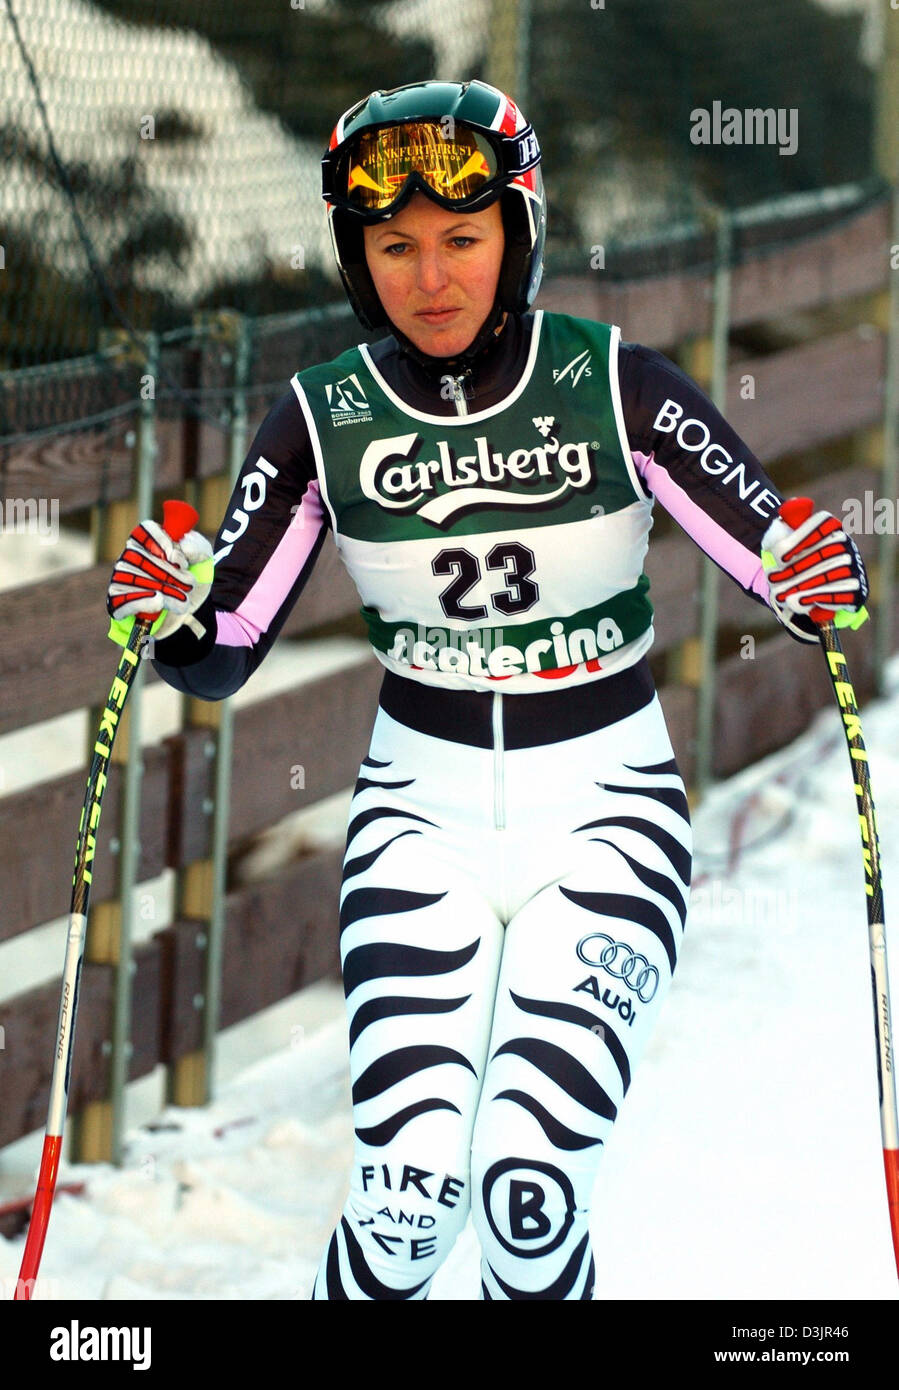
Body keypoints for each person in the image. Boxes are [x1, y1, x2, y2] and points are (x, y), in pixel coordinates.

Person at [106, 78, 869, 1300]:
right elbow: (221, 646)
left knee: (526, 1191)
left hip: (606, 809)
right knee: (405, 1203)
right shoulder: (322, 417)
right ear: (358, 260)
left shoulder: (614, 383)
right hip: (420, 815)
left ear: (517, 231)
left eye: (460, 238)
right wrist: (172, 609)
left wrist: (809, 573)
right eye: (392, 245)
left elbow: (777, 559)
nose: (429, 275)